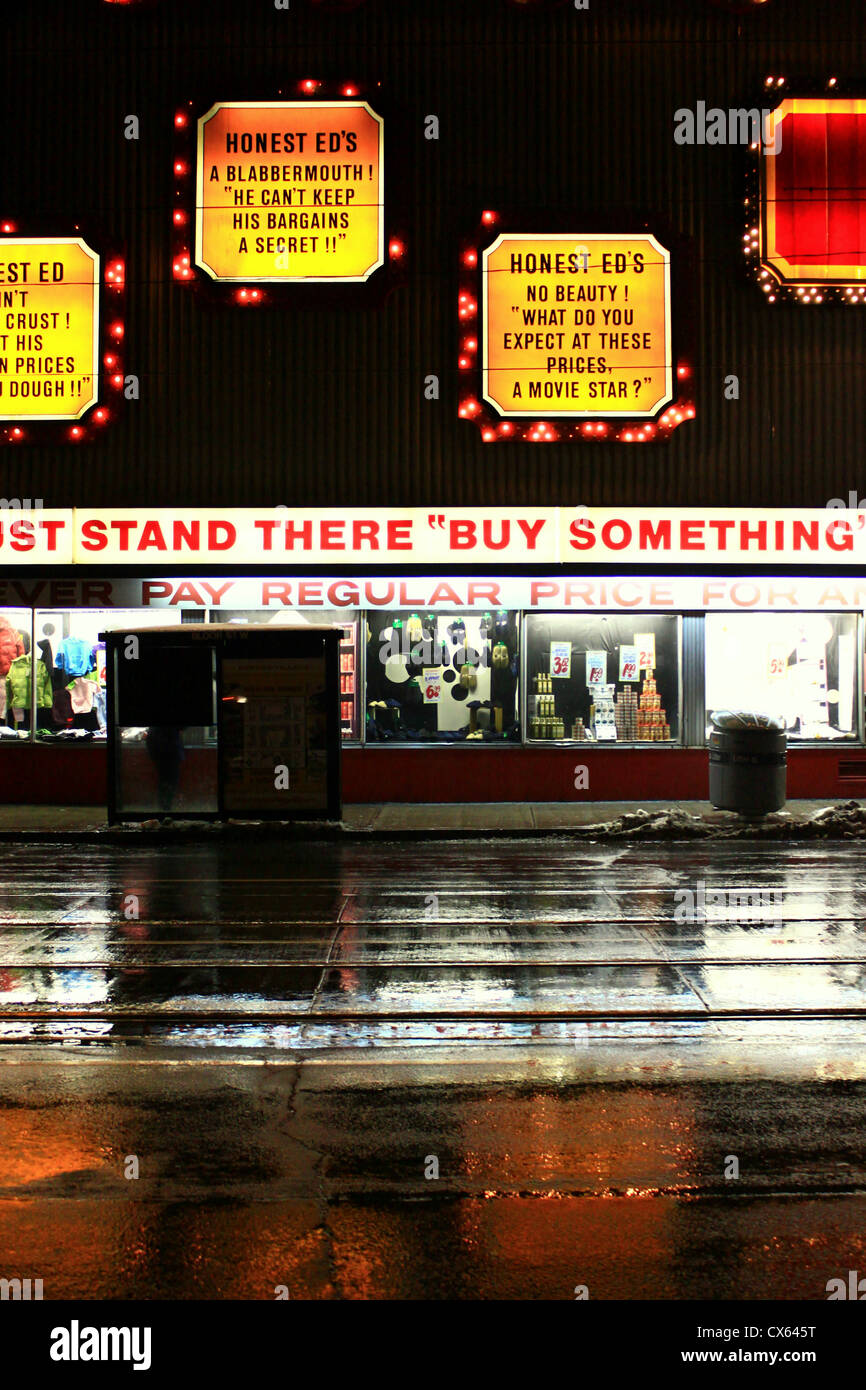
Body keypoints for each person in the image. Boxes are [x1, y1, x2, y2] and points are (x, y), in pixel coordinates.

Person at [145, 726, 185, 813]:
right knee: (170, 781)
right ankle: (166, 806)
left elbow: (150, 741)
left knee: (164, 781)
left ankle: (164, 807)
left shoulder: (155, 730)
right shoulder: (169, 732)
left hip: (162, 755)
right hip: (170, 755)